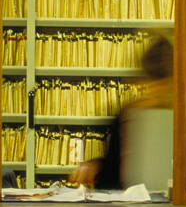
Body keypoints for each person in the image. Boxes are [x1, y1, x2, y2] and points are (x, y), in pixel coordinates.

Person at [69, 32, 174, 190]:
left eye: (162, 83)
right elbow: (112, 169)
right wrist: (94, 166)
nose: (155, 91)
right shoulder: (127, 115)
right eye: (150, 82)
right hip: (130, 204)